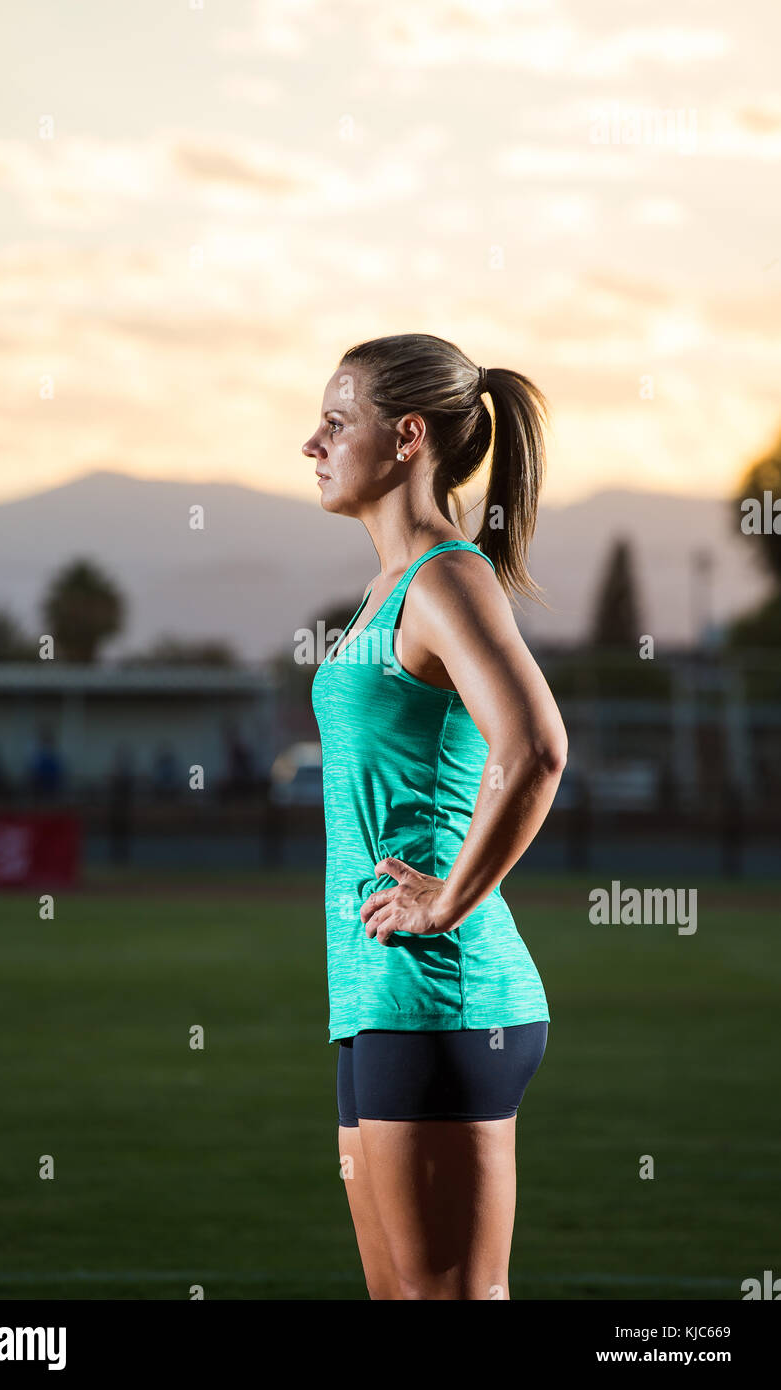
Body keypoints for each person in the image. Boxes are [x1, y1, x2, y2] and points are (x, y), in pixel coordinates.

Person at [302, 333, 567, 1301]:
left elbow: (533, 747)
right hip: (375, 998)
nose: (312, 443)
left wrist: (446, 902)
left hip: (443, 994)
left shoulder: (445, 580)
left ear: (408, 437)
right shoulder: (384, 593)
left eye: (336, 422)